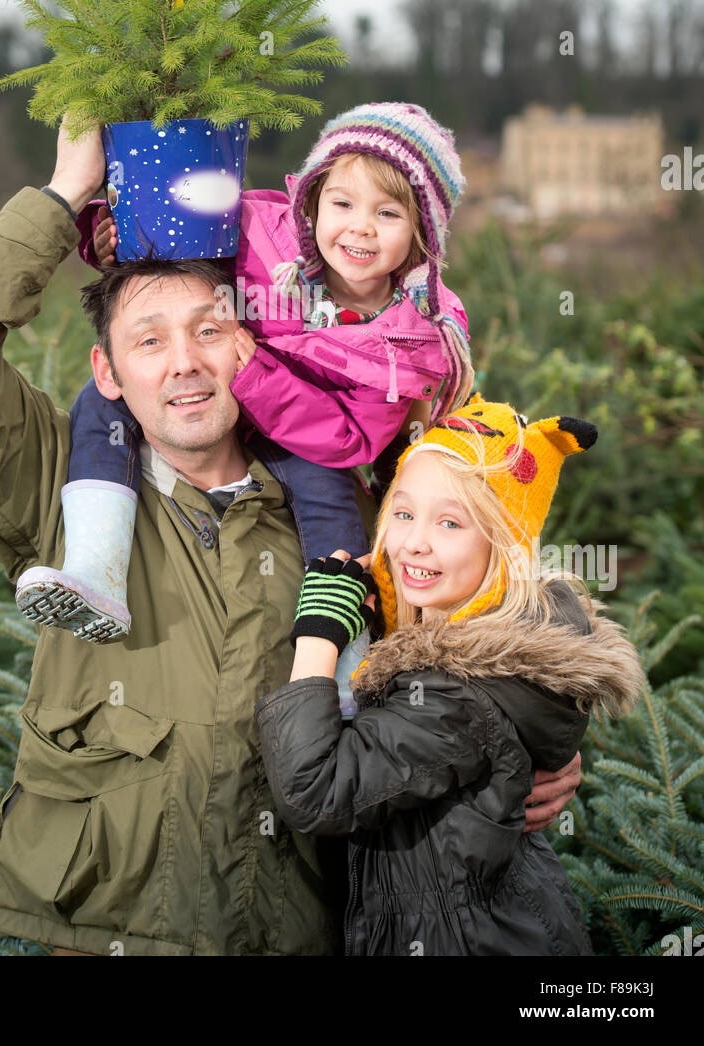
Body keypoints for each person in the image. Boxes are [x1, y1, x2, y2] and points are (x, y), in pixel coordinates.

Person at [0, 128, 582, 955]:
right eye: (149, 340)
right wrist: (64, 194)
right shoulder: (55, 487)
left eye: (210, 330)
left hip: (297, 928)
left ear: (254, 342)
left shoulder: (350, 512)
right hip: (110, 931)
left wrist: (538, 748)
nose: (185, 363)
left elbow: (495, 606)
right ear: (108, 374)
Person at [17, 102, 475, 718]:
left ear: (422, 234)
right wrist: (105, 230)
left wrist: (257, 374)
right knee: (101, 408)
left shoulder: (409, 338)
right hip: (213, 397)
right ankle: (97, 566)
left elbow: (348, 441)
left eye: (387, 213)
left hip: (307, 437)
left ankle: (345, 657)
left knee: (330, 505)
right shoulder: (266, 234)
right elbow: (176, 241)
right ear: (312, 200)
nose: (359, 229)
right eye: (342, 204)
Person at [255, 395, 644, 956]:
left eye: (451, 522)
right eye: (405, 513)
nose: (414, 541)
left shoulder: (456, 692)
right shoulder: (460, 659)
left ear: (502, 545)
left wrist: (318, 634)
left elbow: (315, 791)